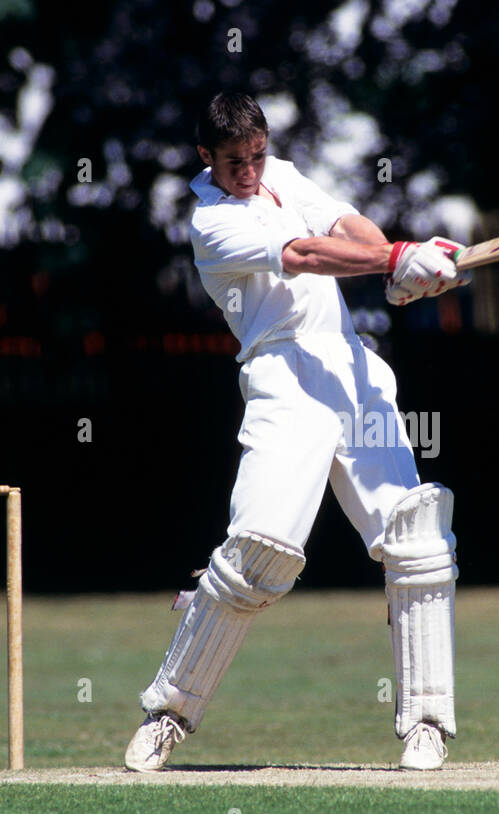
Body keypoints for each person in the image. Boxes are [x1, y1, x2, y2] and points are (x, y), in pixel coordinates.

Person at [124, 92, 469, 772]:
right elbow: (308, 253)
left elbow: (346, 228)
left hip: (350, 368)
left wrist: (400, 269)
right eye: (234, 162)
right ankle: (169, 714)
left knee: (420, 541)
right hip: (284, 378)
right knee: (259, 557)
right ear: (205, 158)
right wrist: (398, 257)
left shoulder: (280, 174)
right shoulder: (212, 223)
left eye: (256, 155)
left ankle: (427, 724)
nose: (249, 172)